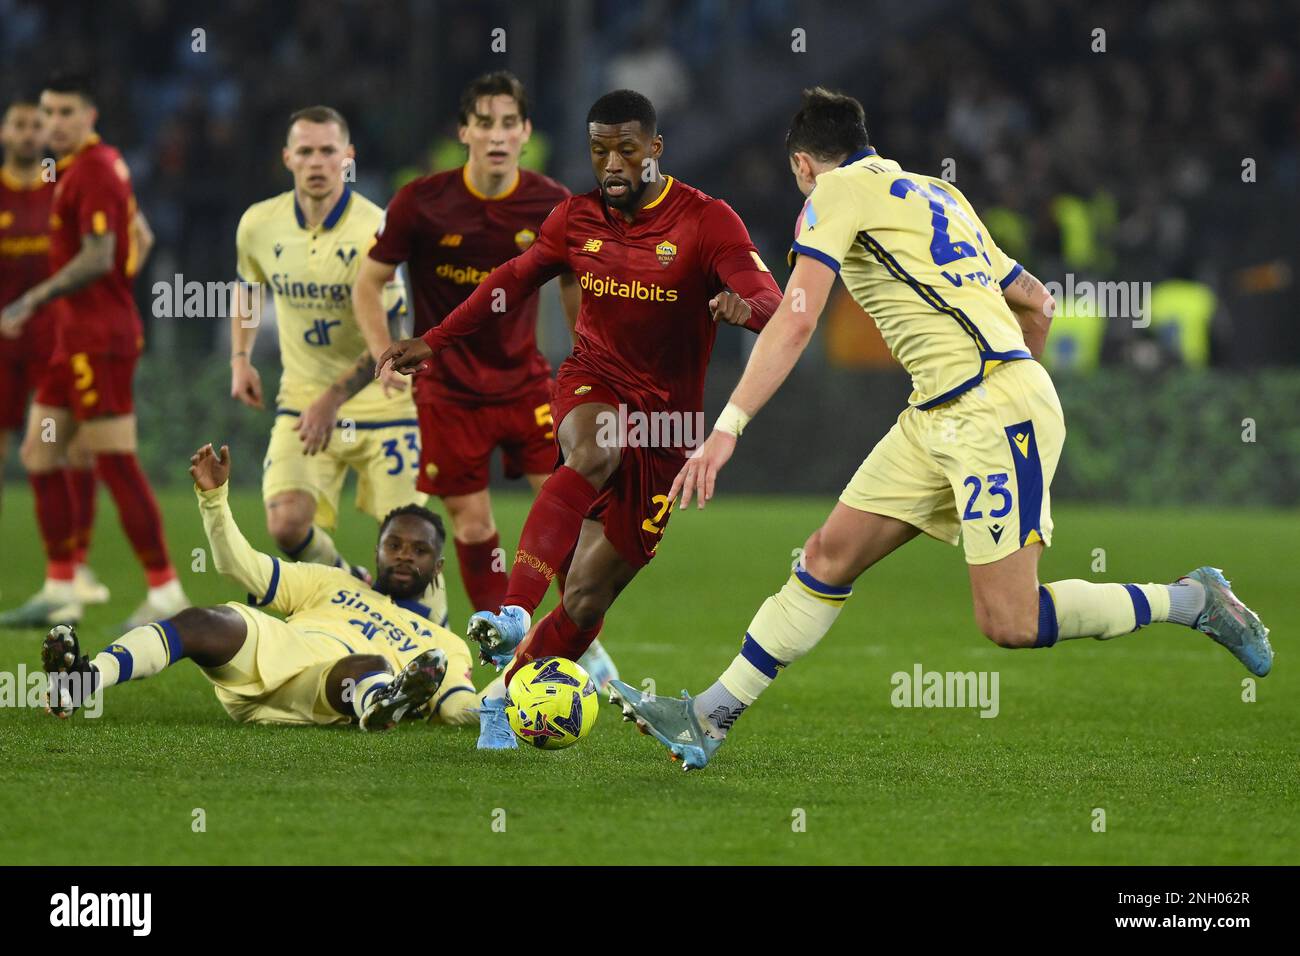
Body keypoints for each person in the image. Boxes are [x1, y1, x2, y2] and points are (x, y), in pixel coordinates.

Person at [609, 88, 1273, 770]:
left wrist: (727, 428)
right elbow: (1036, 302)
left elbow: (799, 318)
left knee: (1011, 623)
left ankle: (1194, 601)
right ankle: (707, 718)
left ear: (805, 165)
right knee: (826, 556)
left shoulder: (832, 197)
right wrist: (1016, 380)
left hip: (986, 412)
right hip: (941, 412)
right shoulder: (936, 194)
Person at [380, 89, 782, 749]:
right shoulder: (575, 219)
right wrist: (436, 339)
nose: (613, 164)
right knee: (594, 449)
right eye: (600, 151)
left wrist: (749, 310)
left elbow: (774, 298)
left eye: (627, 149)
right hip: (593, 381)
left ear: (655, 149)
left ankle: (501, 695)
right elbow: (510, 279)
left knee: (589, 599)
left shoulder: (707, 221)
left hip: (669, 429)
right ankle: (511, 611)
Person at [356, 72, 616, 685]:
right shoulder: (421, 201)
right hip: (448, 392)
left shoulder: (551, 201)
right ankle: (508, 652)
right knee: (474, 528)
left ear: (525, 133)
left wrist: (591, 356)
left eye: (509, 123)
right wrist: (383, 355)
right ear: (464, 131)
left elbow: (576, 283)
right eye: (486, 123)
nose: (497, 135)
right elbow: (368, 281)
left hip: (525, 385)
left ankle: (579, 638)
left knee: (569, 515)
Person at [41, 443, 479, 730]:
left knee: (366, 664)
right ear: (378, 549)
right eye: (394, 544)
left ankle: (380, 702)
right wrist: (214, 500)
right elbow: (240, 565)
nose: (404, 555)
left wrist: (509, 707)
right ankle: (85, 679)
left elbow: (460, 705)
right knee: (204, 620)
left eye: (418, 550)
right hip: (269, 658)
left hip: (324, 688)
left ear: (437, 565)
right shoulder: (331, 581)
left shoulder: (443, 643)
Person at [231, 104, 447, 626]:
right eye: (305, 151)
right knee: (285, 524)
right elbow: (247, 286)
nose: (317, 162)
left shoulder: (378, 228)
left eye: (328, 150)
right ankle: (353, 587)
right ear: (288, 157)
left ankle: (436, 645)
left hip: (386, 400)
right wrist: (240, 359)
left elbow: (394, 335)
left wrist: (334, 397)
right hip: (303, 400)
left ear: (347, 157)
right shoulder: (258, 224)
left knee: (411, 539)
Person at [0, 74, 183, 629]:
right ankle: (61, 585)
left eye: (64, 113)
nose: (52, 123)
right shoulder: (77, 169)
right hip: (71, 339)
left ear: (90, 115)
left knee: (114, 460)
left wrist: (33, 298)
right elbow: (137, 240)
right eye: (47, 112)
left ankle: (166, 589)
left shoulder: (96, 170)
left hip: (97, 343)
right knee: (39, 451)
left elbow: (101, 256)